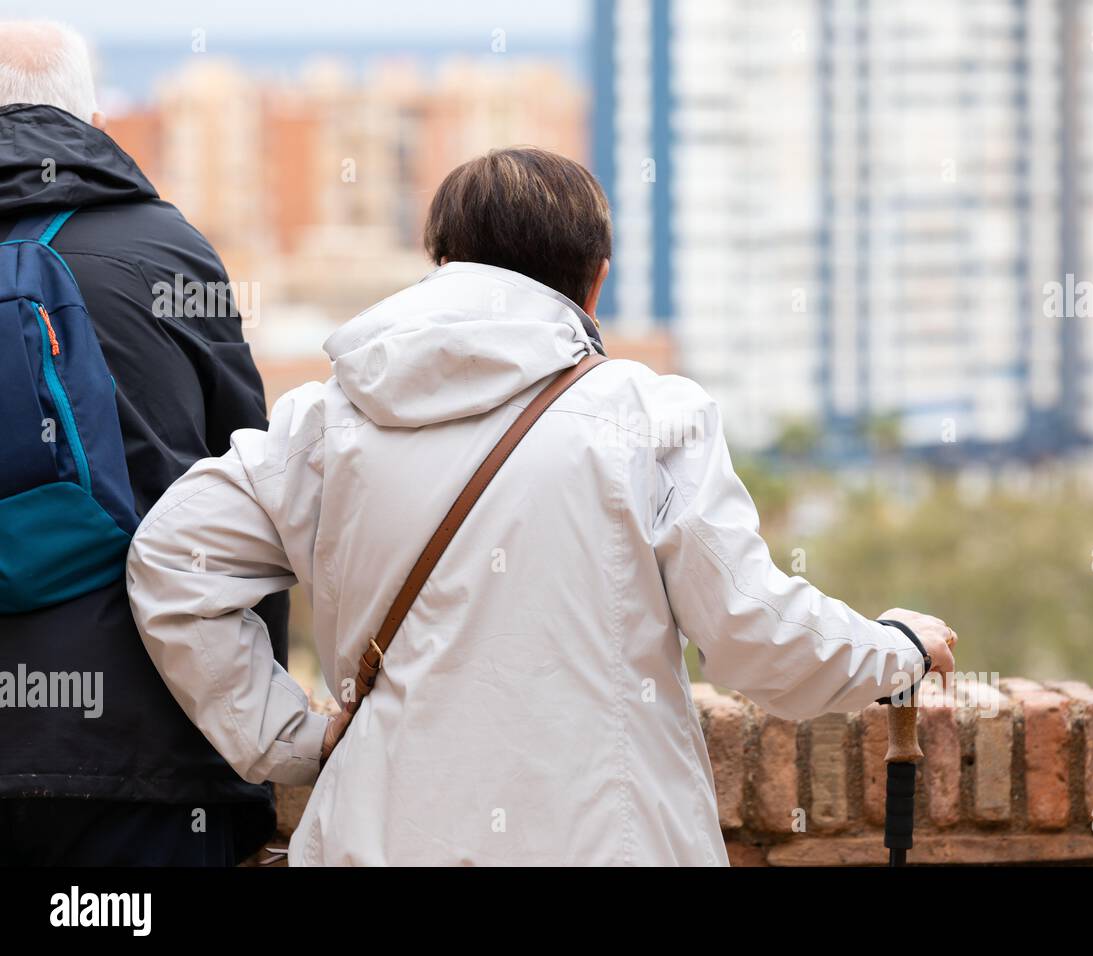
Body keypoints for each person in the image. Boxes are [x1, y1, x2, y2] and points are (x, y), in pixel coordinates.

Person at [126, 146, 957, 866]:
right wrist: (894, 650)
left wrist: (289, 743)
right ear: (594, 284)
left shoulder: (323, 423)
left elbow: (171, 561)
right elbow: (756, 639)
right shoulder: (648, 416)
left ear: (439, 263)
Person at [0, 20, 287, 865]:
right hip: (146, 748)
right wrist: (250, 739)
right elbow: (249, 498)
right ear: (91, 115)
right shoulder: (167, 250)